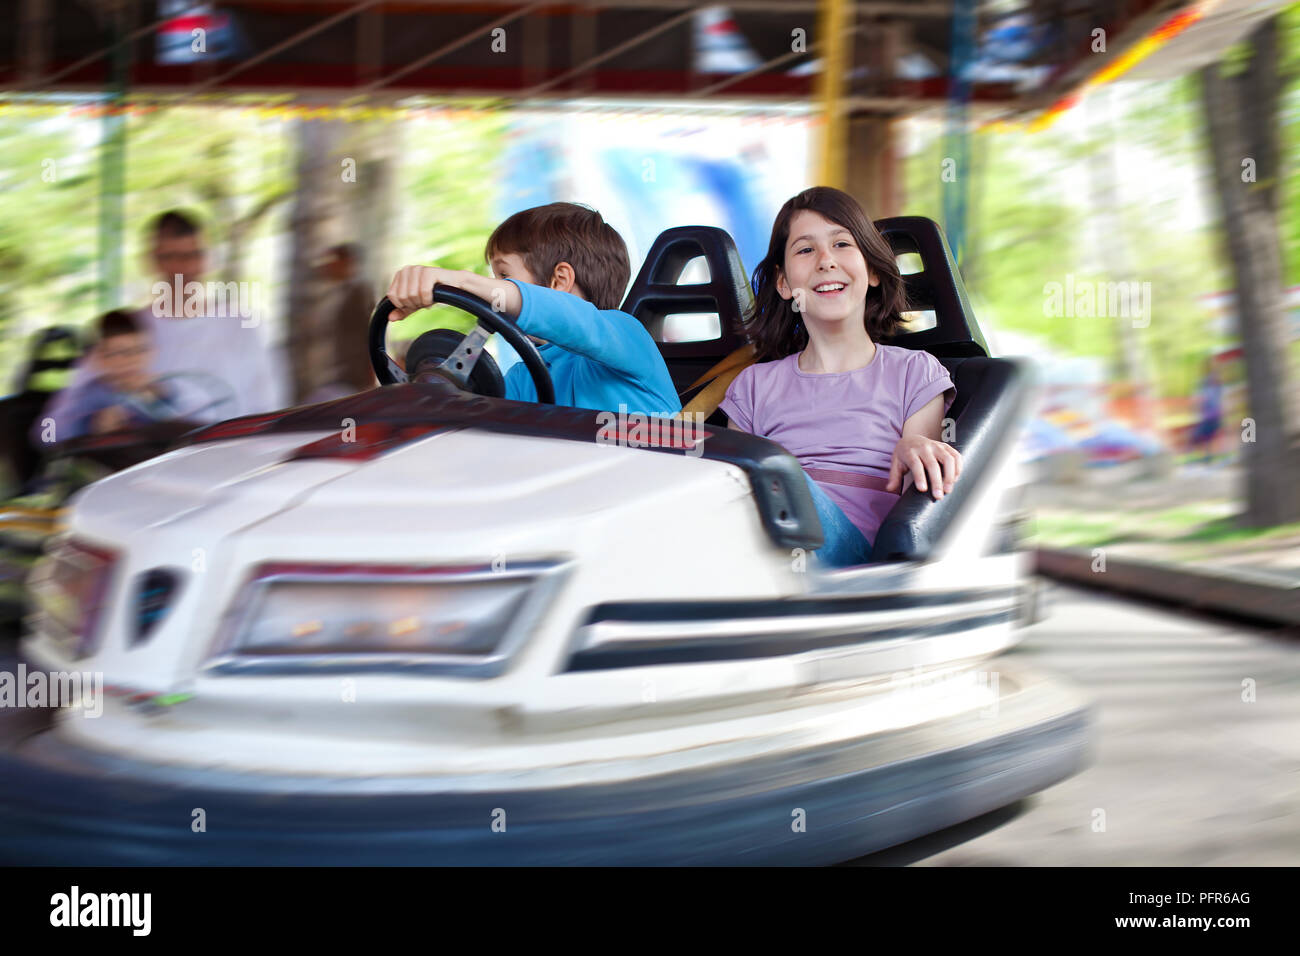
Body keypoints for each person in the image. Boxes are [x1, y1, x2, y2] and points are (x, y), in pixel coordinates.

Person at [720, 186, 962, 568]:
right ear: (784, 284)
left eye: (842, 244)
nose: (826, 261)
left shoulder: (914, 372)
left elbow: (921, 454)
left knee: (779, 480)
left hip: (849, 557)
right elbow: (727, 488)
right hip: (759, 544)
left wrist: (915, 445)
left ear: (873, 272)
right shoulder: (752, 386)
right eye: (805, 249)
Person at [385, 202, 680, 417]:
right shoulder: (523, 378)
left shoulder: (625, 336)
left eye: (503, 276)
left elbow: (571, 319)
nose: (493, 291)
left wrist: (462, 281)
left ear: (559, 281)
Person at [47, 209, 289, 434]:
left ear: (209, 260)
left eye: (194, 255)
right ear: (150, 261)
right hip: (148, 466)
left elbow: (273, 412)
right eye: (170, 257)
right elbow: (50, 429)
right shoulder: (124, 331)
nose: (183, 268)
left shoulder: (245, 324)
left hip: (234, 461)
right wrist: (92, 422)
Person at [32, 310, 207, 442]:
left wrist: (160, 398)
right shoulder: (89, 395)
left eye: (140, 350)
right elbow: (44, 436)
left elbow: (180, 430)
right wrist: (89, 425)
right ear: (100, 358)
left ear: (152, 353)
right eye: (119, 353)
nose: (131, 360)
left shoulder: (161, 390)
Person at [300, 243, 377, 403]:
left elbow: (370, 331)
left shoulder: (359, 292)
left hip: (352, 376)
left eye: (332, 260)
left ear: (347, 261)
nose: (327, 265)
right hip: (331, 375)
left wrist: (371, 371)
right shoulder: (329, 295)